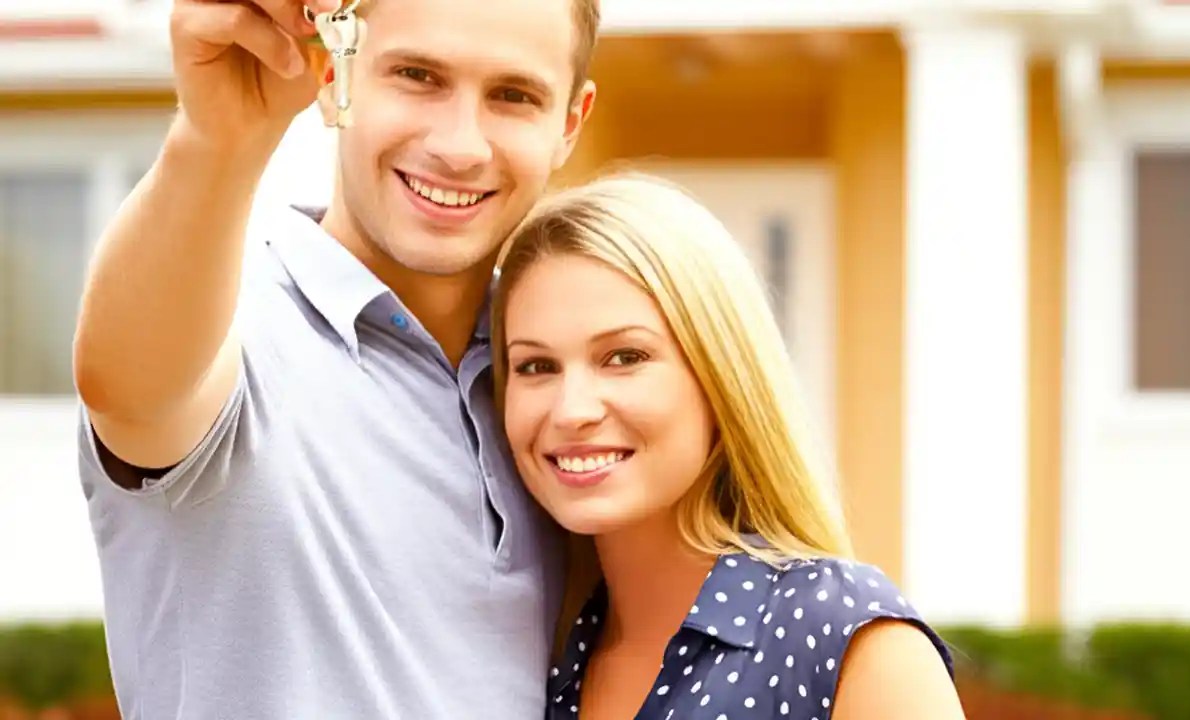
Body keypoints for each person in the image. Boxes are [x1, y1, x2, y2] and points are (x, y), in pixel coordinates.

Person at [70, 0, 598, 716]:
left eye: (514, 95)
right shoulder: (233, 326)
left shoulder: (555, 383)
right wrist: (218, 137)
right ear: (330, 74)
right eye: (417, 76)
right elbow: (128, 387)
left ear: (569, 123)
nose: (461, 146)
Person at [491, 174, 967, 719]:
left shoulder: (849, 642)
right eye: (536, 366)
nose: (572, 409)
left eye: (625, 357)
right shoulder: (544, 663)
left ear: (720, 374)